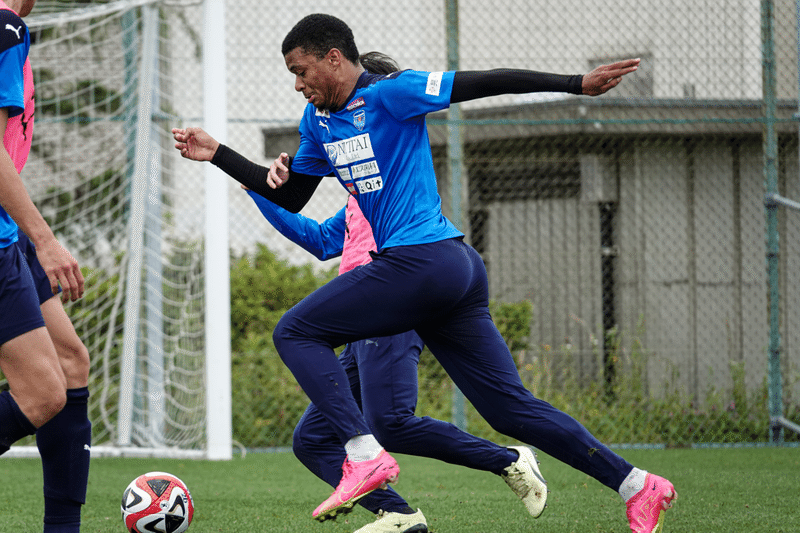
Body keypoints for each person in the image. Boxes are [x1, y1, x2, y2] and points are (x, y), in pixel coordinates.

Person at [172, 14, 676, 533]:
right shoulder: (317, 123)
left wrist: (575, 84)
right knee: (508, 411)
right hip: (447, 273)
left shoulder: (393, 94)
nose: (298, 85)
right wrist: (218, 155)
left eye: (302, 71)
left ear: (333, 58)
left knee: (295, 331)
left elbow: (482, 82)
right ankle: (638, 485)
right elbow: (292, 194)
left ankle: (366, 457)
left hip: (426, 260)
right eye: (292, 76)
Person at [242, 51, 545, 533]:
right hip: (363, 313)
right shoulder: (360, 195)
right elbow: (322, 241)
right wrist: (256, 187)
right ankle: (399, 514)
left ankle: (506, 460)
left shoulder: (391, 190)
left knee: (391, 423)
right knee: (313, 439)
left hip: (395, 304)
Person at [0, 1, 92, 532]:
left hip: (7, 233)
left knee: (71, 361)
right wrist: (46, 240)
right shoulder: (4, 27)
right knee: (42, 394)